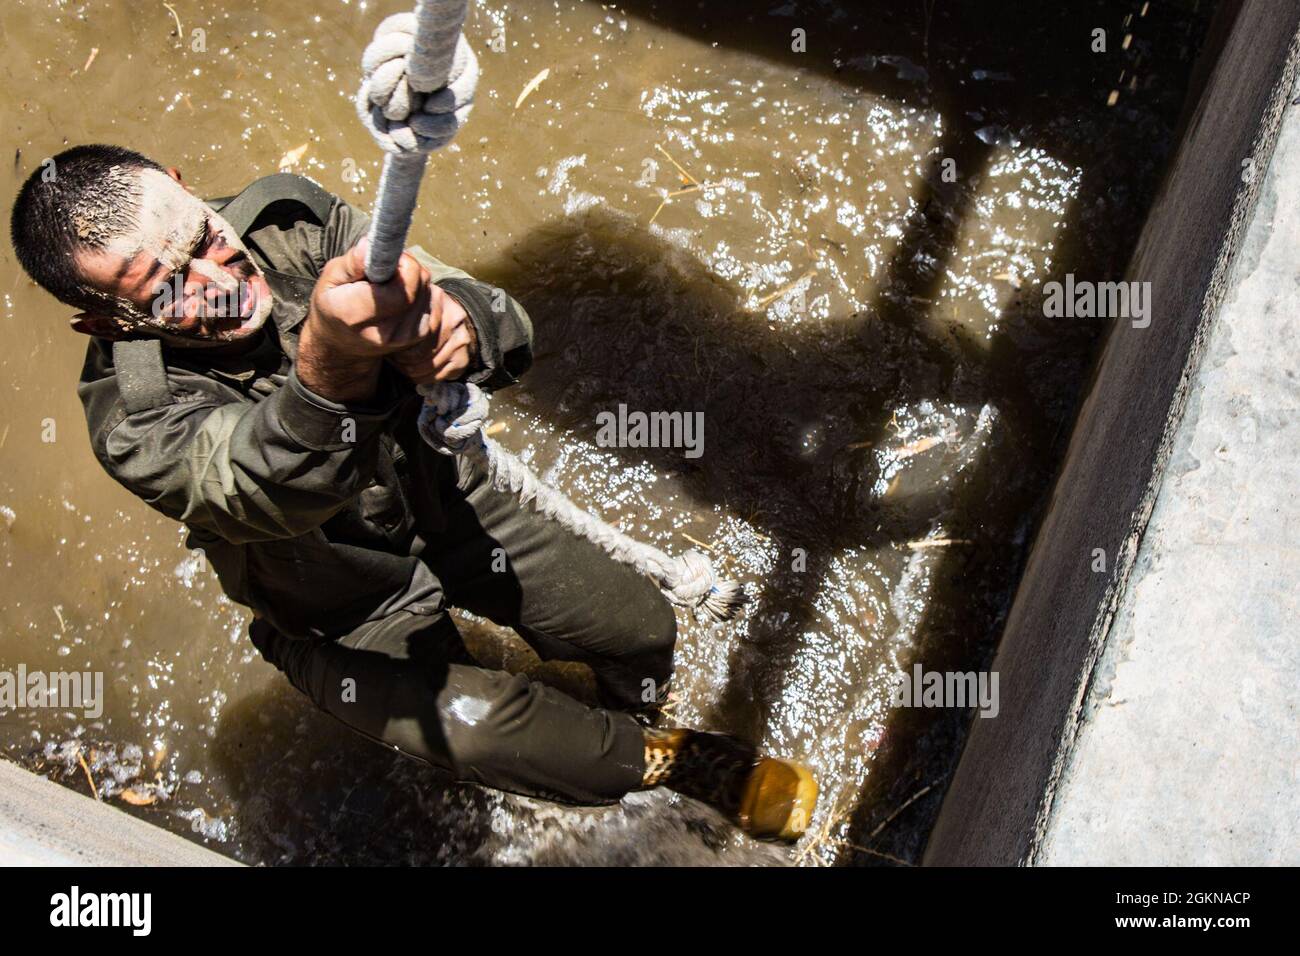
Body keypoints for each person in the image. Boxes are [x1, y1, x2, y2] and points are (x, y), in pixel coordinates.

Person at [9, 144, 816, 841]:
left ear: (185, 185)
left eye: (203, 238)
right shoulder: (133, 418)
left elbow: (500, 320)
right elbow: (268, 491)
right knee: (514, 735)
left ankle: (634, 713)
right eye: (163, 292)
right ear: (106, 324)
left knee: (640, 627)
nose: (219, 284)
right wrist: (326, 368)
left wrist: (462, 327)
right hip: (341, 599)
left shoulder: (287, 218)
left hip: (444, 496)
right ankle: (659, 763)